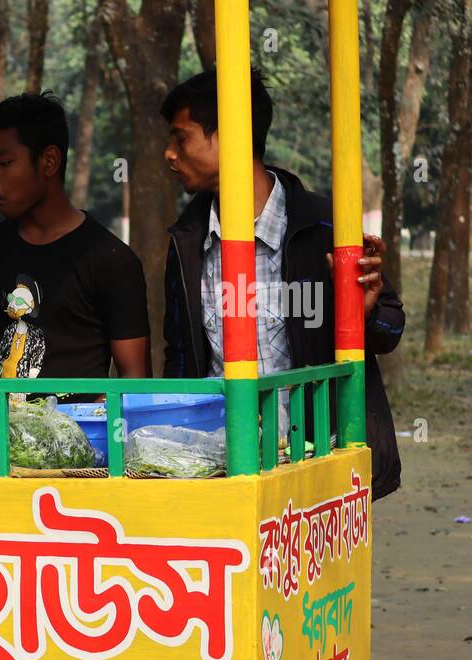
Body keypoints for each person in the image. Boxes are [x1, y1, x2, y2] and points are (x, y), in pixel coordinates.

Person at [160, 69, 404, 498]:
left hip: (322, 470)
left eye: (181, 139)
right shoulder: (186, 241)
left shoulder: (328, 225)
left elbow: (390, 330)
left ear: (232, 136)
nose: (169, 154)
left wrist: (363, 313)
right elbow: (182, 359)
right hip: (226, 473)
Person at [0, 91, 151, 384]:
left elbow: (135, 381)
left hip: (83, 430)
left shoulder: (113, 261)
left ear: (49, 162)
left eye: (2, 163)